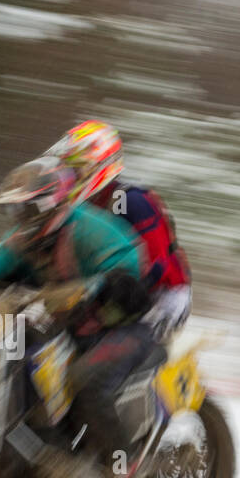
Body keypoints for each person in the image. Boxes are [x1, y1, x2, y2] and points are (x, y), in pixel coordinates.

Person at [0, 155, 160, 478]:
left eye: (25, 211)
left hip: (121, 328)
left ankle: (126, 462)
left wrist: (103, 285)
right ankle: (53, 455)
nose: (18, 221)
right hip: (68, 329)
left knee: (86, 380)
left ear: (47, 206)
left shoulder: (88, 228)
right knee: (22, 365)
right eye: (14, 212)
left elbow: (128, 265)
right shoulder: (23, 240)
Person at [46, 120, 193, 341]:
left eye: (75, 170)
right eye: (66, 170)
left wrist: (107, 298)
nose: (69, 177)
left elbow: (157, 263)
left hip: (162, 294)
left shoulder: (129, 201)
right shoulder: (76, 208)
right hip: (103, 290)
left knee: (110, 349)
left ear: (98, 167)